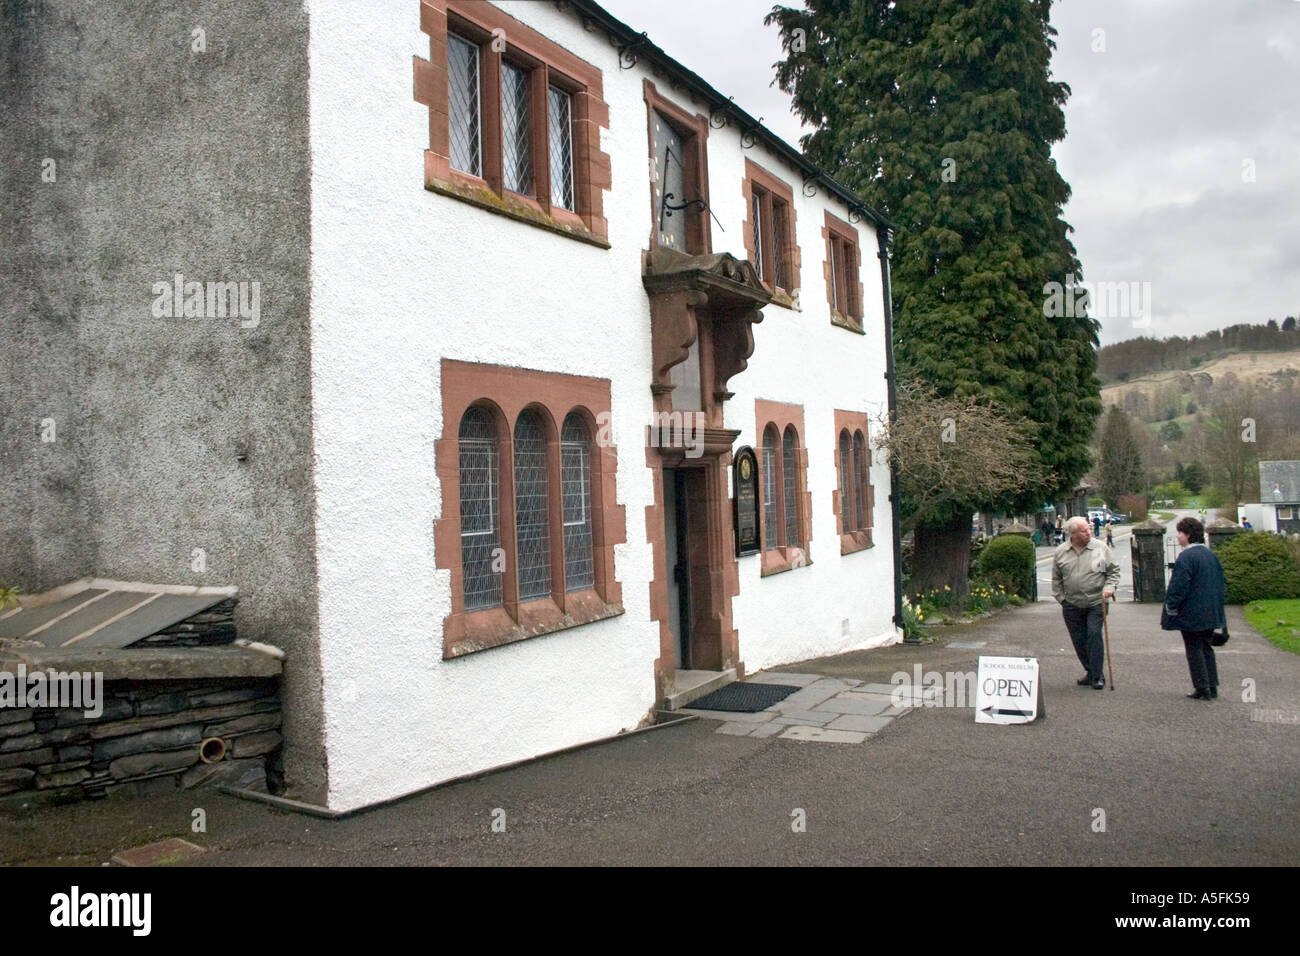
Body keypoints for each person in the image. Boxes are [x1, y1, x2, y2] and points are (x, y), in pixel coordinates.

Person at [1160, 516, 1226, 700]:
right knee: (1206, 647)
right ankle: (1212, 686)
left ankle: (1201, 686)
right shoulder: (1210, 555)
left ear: (1188, 535)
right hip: (1210, 610)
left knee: (1194, 648)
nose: (1178, 537)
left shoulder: (1187, 556)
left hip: (1192, 611)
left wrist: (1171, 607)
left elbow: (1179, 585)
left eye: (1180, 533)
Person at [1052, 516, 1120, 689]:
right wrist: (1061, 599)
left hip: (1096, 602)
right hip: (1071, 604)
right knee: (1079, 640)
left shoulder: (1099, 548)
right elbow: (1056, 578)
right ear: (1072, 534)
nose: (1089, 532)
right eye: (1084, 530)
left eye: (1089, 529)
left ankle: (1097, 676)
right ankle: (1090, 671)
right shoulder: (1061, 551)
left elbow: (1113, 571)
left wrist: (1109, 588)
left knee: (1093, 635)